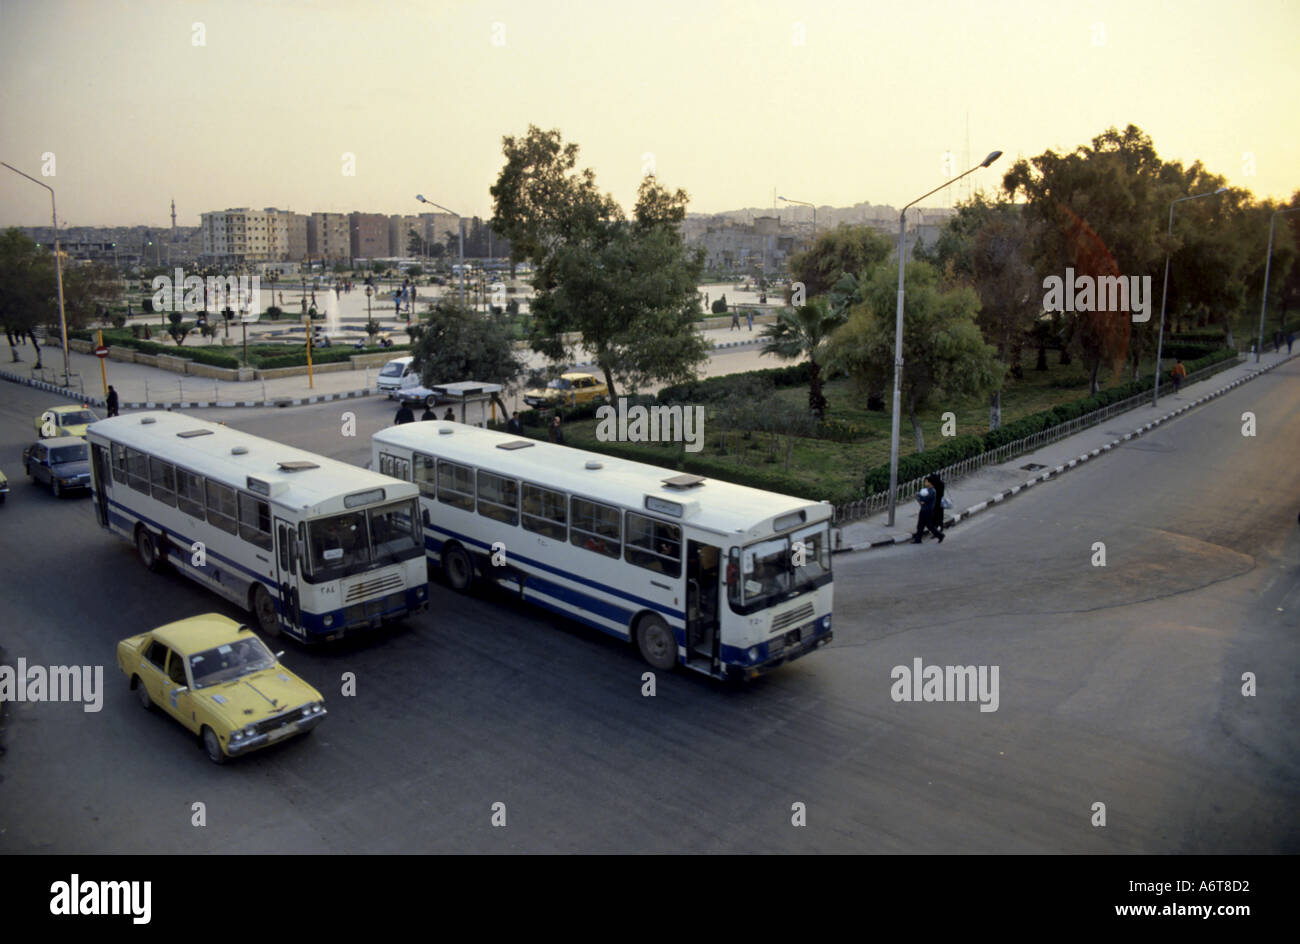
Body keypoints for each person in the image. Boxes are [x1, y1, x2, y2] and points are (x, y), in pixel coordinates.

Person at [911, 475, 945, 544]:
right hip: (924, 509)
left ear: (930, 483)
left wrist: (918, 496)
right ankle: (918, 539)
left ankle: (940, 535)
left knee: (929, 525)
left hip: (928, 511)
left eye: (926, 481)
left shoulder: (932, 491)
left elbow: (925, 499)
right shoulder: (927, 490)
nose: (925, 483)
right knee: (920, 525)